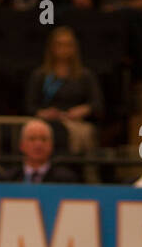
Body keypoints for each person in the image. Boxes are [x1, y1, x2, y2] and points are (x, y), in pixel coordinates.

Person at [25, 27, 103, 155]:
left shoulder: (85, 75)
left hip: (76, 122)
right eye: (59, 44)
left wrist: (83, 109)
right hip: (48, 123)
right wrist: (44, 113)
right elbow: (30, 106)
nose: (63, 49)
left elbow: (97, 103)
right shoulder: (40, 75)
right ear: (52, 47)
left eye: (68, 45)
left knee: (82, 133)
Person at [0, 120, 80, 183]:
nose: (38, 144)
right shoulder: (8, 179)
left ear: (51, 145)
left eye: (44, 139)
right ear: (22, 145)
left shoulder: (66, 180)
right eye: (32, 139)